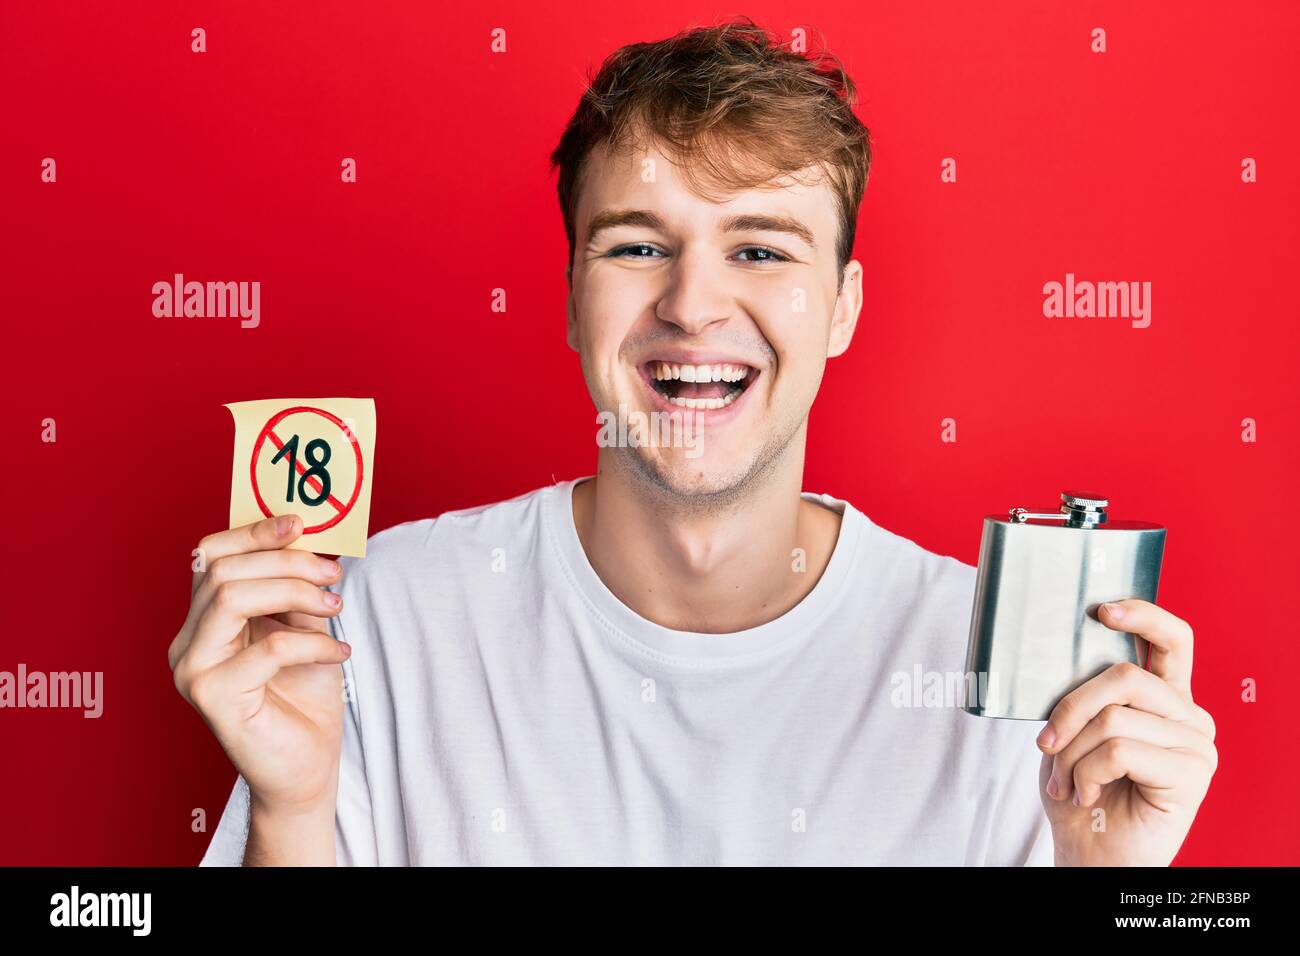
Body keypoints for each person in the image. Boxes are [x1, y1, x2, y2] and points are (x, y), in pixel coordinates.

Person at [174, 18, 1216, 866]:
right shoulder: (377, 620)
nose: (692, 302)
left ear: (842, 309)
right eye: (636, 245)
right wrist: (293, 810)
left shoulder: (1003, 677)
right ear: (575, 302)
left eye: (759, 248)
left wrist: (1113, 887)